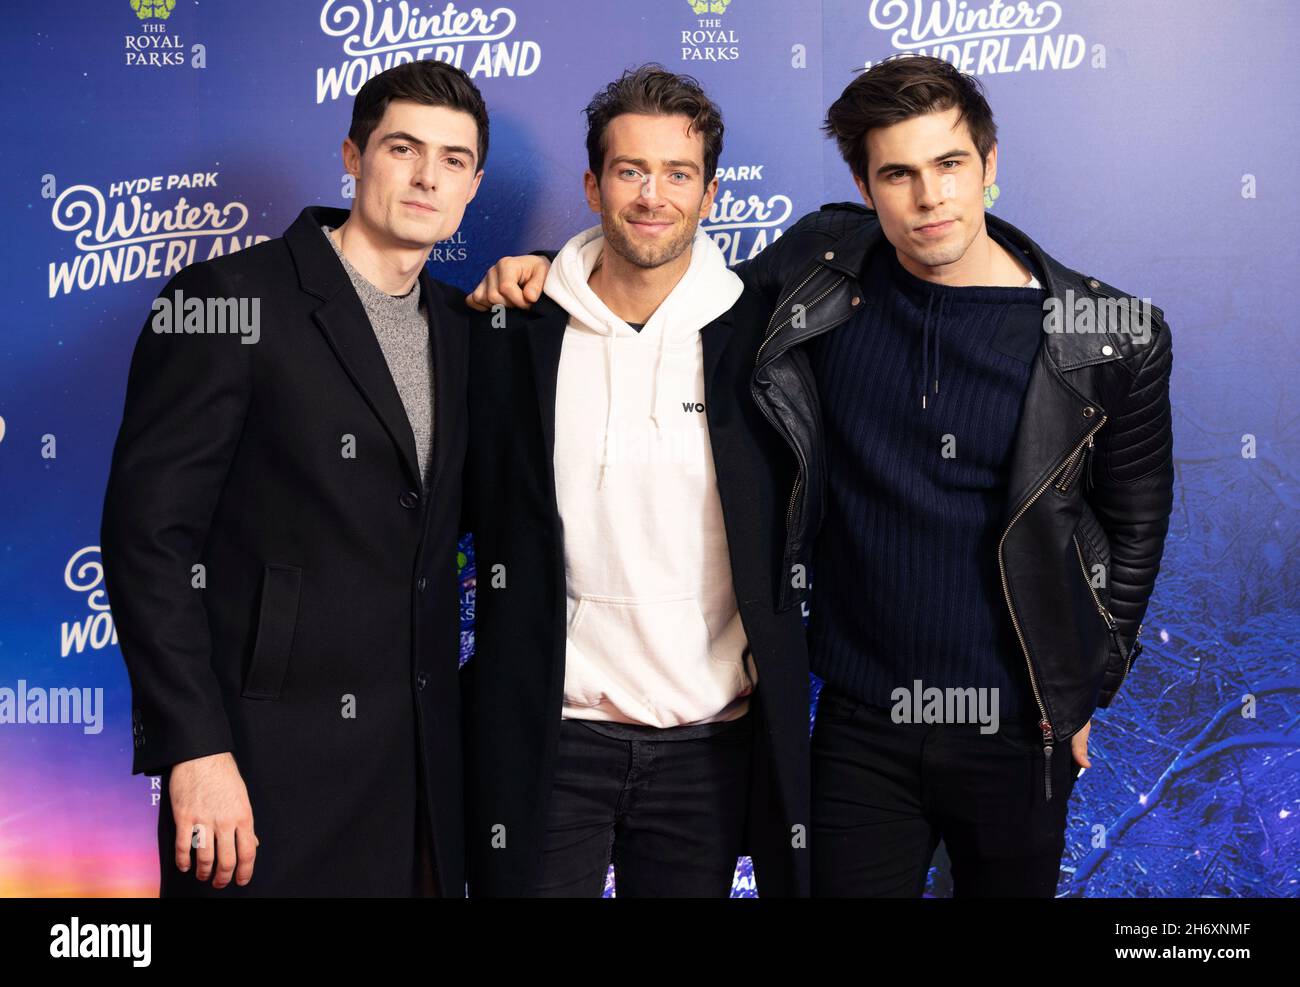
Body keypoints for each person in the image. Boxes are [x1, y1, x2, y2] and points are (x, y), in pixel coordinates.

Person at [471, 55, 1174, 897]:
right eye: (899, 174)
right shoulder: (822, 276)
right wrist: (549, 272)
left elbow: (1134, 533)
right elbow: (651, 266)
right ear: (864, 184)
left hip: (1016, 727)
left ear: (989, 166)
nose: (930, 197)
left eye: (950, 166)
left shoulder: (1107, 337)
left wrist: (1081, 689)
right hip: (856, 725)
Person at [100, 60, 488, 896]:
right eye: (403, 148)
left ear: (473, 184)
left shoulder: (467, 329)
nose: (427, 175)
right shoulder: (226, 300)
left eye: (453, 159)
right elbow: (147, 542)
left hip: (418, 774)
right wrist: (193, 750)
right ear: (353, 155)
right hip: (260, 766)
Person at [459, 65, 809, 897]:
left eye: (678, 173)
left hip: (709, 746)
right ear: (592, 184)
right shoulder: (516, 327)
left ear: (711, 192)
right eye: (630, 170)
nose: (654, 195)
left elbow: (869, 237)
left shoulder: (763, 337)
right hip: (552, 739)